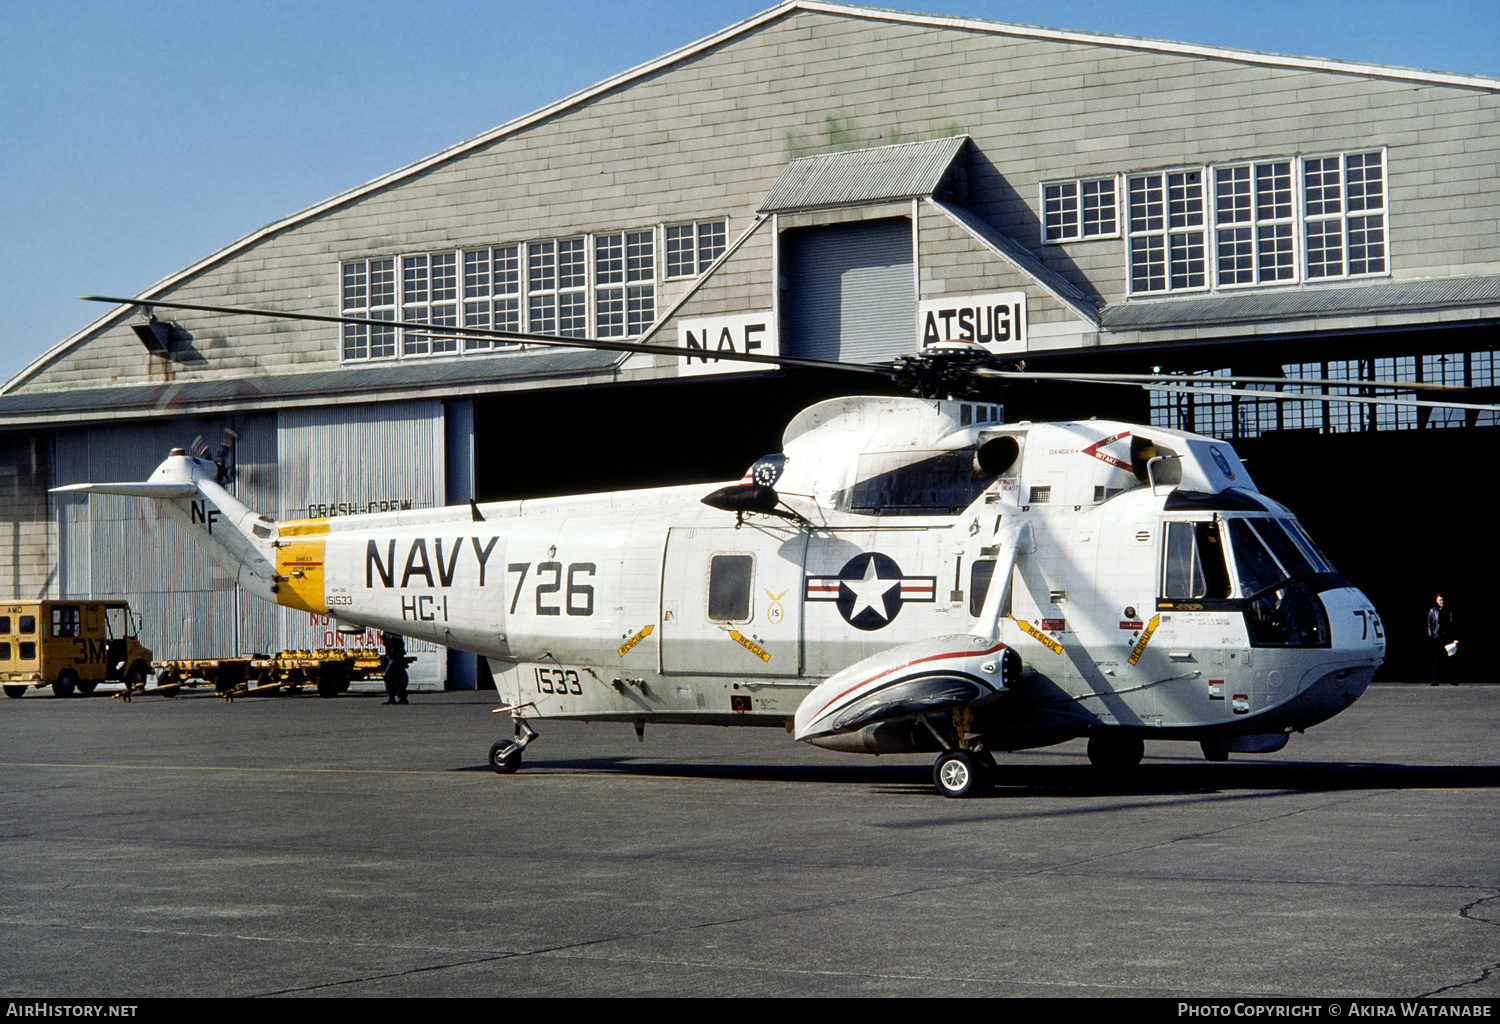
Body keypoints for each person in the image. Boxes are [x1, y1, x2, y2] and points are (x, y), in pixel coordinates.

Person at [1427, 593, 1457, 686]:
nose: (1442, 602)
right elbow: (1429, 624)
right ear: (1437, 600)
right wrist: (1431, 635)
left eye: (1443, 600)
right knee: (1437, 660)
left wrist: (1455, 638)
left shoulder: (1449, 611)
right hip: (1437, 637)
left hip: (1447, 638)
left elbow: (1453, 625)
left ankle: (1452, 680)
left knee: (1450, 659)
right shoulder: (1433, 611)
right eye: (1440, 600)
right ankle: (1435, 680)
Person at [381, 631, 409, 704]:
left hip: (396, 656)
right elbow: (385, 644)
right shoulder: (386, 633)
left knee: (387, 676)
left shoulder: (393, 631)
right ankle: (401, 697)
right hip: (391, 656)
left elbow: (397, 643)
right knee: (397, 677)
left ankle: (392, 697)